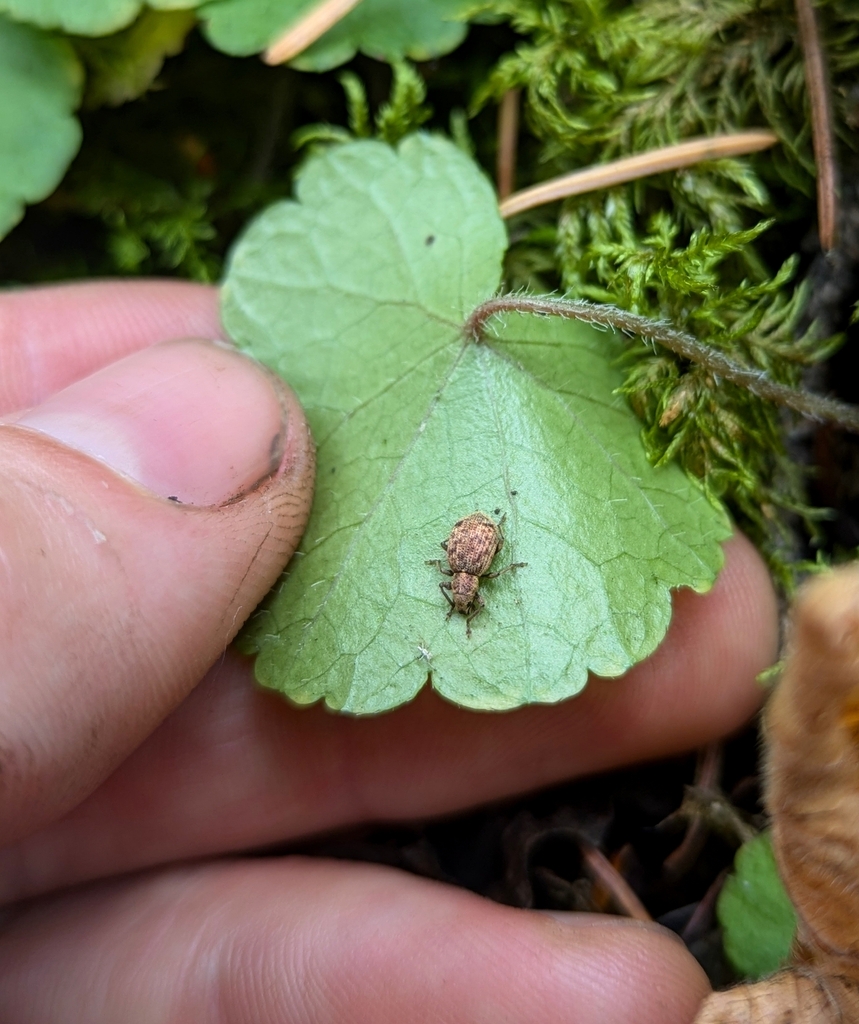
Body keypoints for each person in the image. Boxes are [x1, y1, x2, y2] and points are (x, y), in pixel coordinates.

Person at [0, 281, 777, 1022]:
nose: (464, 586)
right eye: (464, 587)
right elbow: (474, 553)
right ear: (463, 580)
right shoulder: (468, 563)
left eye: (465, 586)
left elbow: (477, 553)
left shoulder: (473, 561)